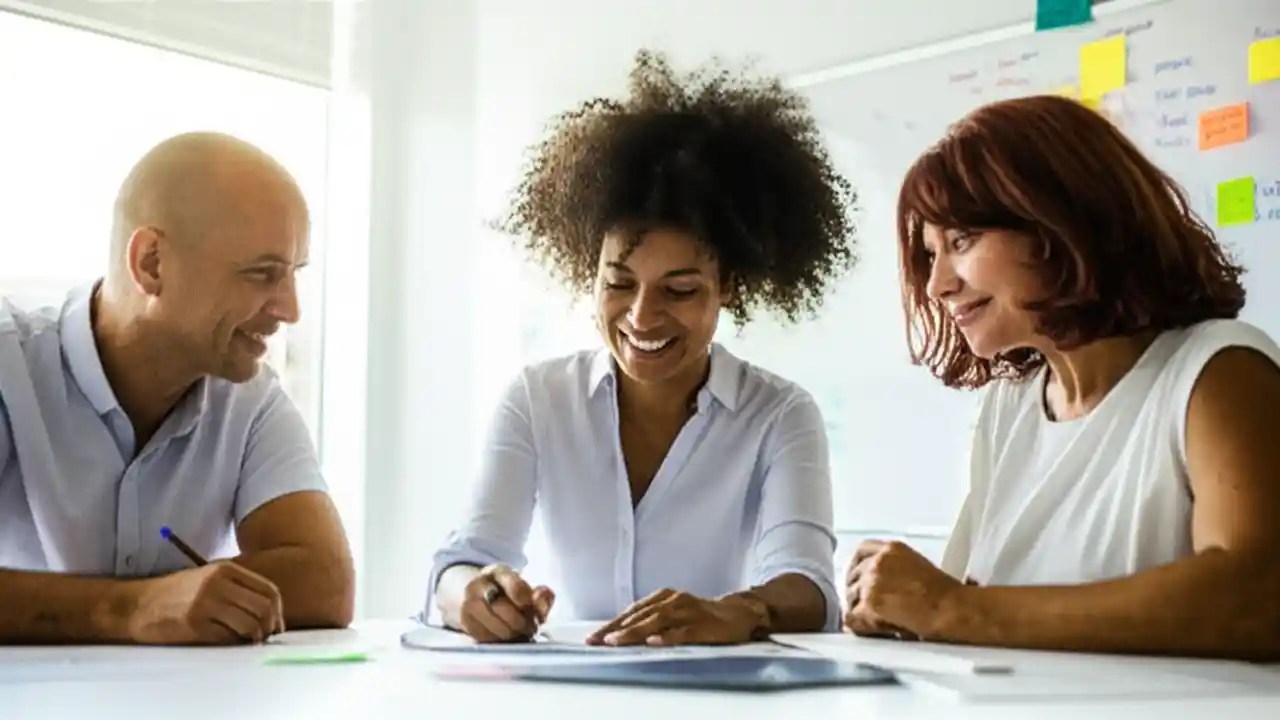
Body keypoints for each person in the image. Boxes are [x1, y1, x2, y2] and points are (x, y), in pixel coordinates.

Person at [428, 51, 857, 646]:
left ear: (727, 286)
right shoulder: (538, 398)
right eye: (619, 284)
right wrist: (475, 594)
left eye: (679, 290)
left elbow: (809, 589)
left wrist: (740, 610)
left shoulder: (780, 415)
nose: (641, 316)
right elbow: (459, 564)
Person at [843, 95, 1280, 660]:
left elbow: (1257, 596)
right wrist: (901, 608)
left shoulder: (1218, 372)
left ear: (1060, 224)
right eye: (930, 254)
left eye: (961, 242)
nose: (937, 285)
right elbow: (965, 607)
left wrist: (951, 610)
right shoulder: (1011, 405)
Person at [0, 132, 355, 645]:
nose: (290, 310)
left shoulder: (250, 398)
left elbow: (325, 583)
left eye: (294, 274)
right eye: (262, 274)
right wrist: (129, 610)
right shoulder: (10, 368)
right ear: (152, 264)